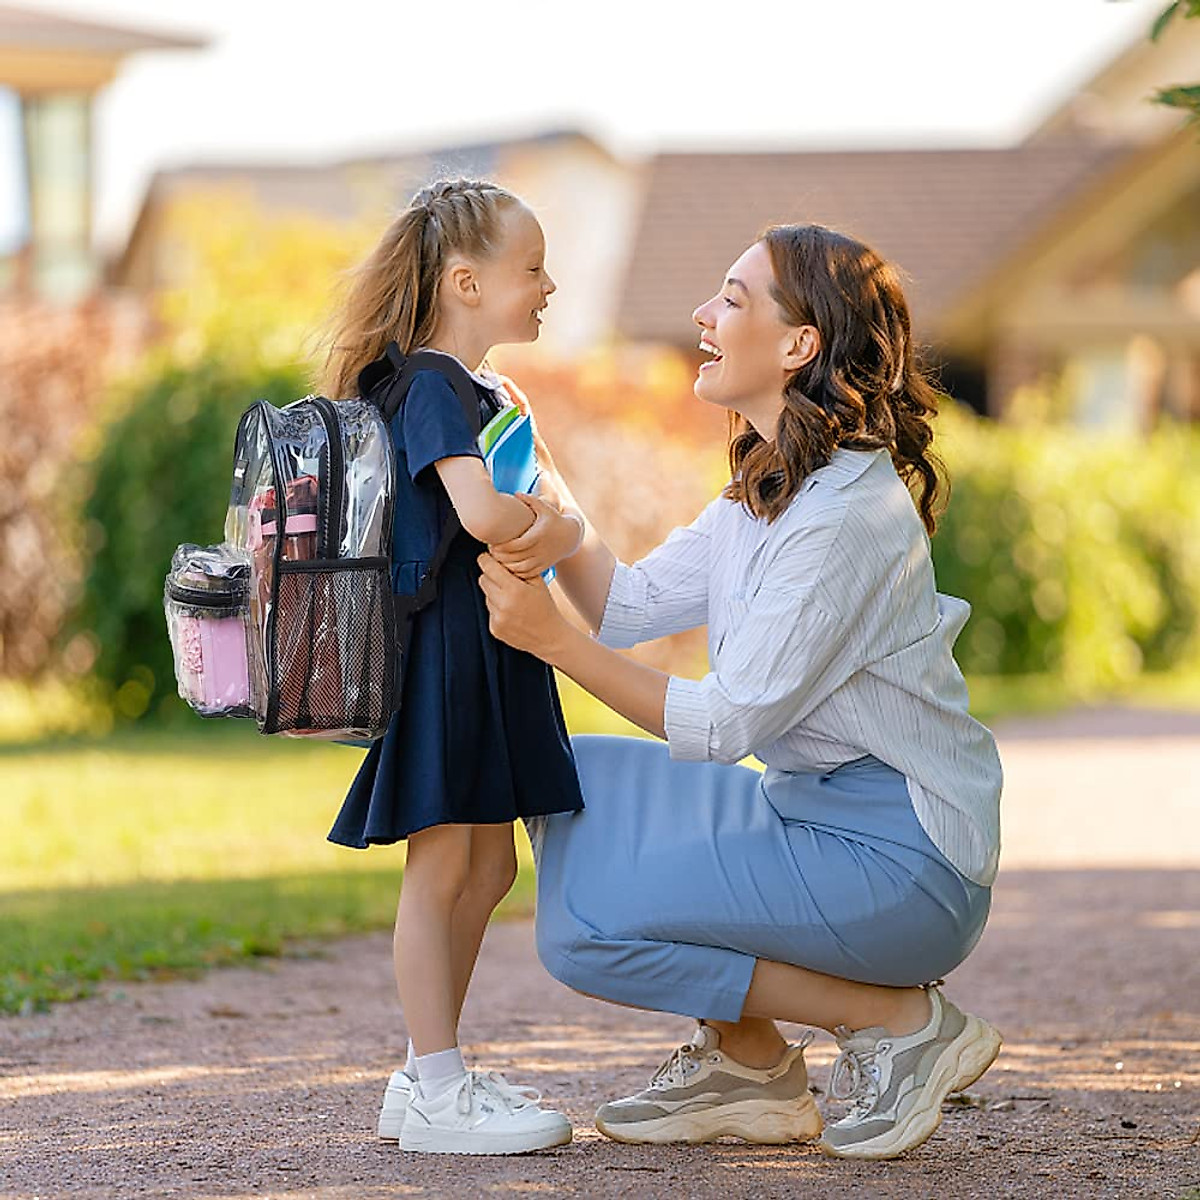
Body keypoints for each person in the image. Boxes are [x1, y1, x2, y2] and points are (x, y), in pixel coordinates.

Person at [478, 223, 1005, 1161]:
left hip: (906, 864)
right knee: (568, 782)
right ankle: (749, 1062)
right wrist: (553, 506)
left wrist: (550, 643)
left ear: (800, 345)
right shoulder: (771, 485)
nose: (702, 316)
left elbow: (721, 724)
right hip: (814, 817)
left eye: (731, 297)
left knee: (585, 936)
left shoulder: (846, 516)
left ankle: (898, 1023)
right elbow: (627, 604)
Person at [320, 178, 586, 1156]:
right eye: (533, 268)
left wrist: (547, 525)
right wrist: (552, 525)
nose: (549, 283)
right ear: (467, 282)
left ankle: (423, 1071)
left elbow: (511, 514)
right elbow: (482, 516)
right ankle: (436, 1083)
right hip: (445, 648)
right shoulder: (429, 382)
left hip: (487, 646)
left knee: (488, 861)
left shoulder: (476, 391)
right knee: (444, 864)